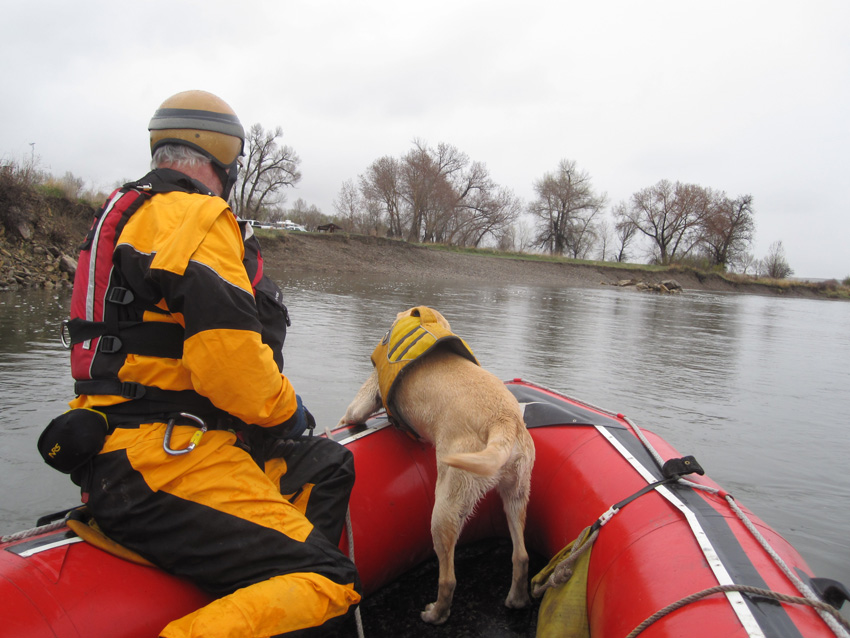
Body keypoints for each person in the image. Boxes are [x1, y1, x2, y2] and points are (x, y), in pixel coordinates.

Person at [55, 90, 361, 637]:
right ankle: (291, 581)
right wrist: (290, 411)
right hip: (161, 457)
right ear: (224, 159)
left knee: (327, 465)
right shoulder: (196, 216)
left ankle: (267, 576)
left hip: (132, 444)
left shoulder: (130, 214)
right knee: (330, 583)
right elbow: (233, 369)